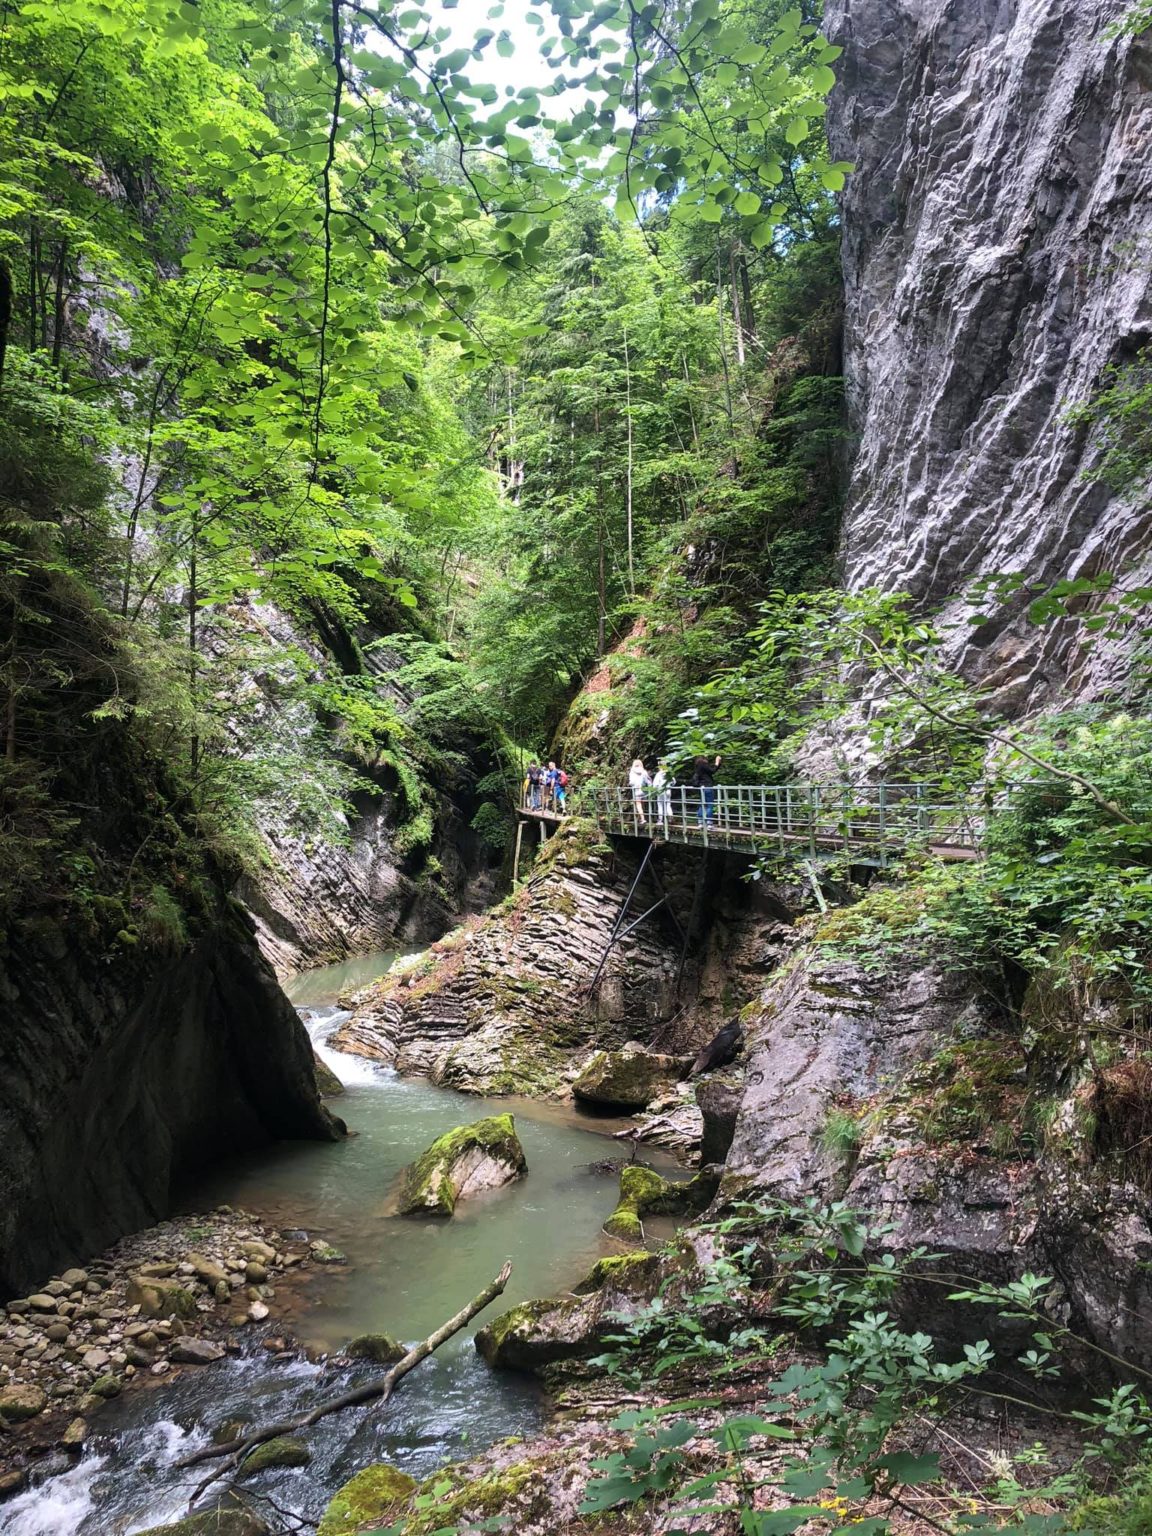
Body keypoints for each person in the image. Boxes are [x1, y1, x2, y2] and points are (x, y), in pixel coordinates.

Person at [693, 754, 721, 826]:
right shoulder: (703, 765)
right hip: (707, 786)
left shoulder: (698, 766)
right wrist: (717, 762)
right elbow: (712, 770)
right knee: (709, 805)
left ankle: (700, 822)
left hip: (701, 787)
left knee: (701, 804)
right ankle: (709, 823)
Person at [628, 757, 651, 824]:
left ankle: (642, 819)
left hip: (637, 790)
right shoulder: (644, 771)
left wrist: (631, 784)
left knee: (638, 805)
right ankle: (640, 818)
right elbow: (648, 781)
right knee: (642, 804)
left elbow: (631, 782)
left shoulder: (632, 772)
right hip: (644, 790)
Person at [652, 760, 673, 834]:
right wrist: (670, 786)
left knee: (660, 805)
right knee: (668, 805)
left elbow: (655, 784)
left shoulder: (659, 774)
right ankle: (670, 819)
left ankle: (660, 820)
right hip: (668, 791)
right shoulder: (669, 773)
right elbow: (673, 781)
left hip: (661, 791)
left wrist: (656, 789)